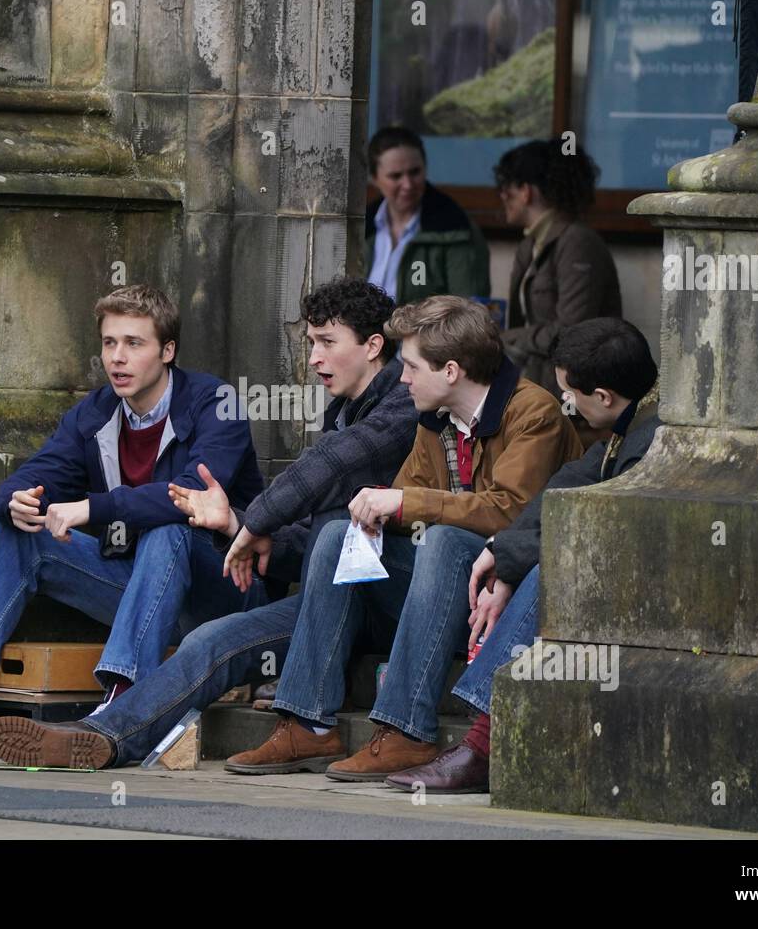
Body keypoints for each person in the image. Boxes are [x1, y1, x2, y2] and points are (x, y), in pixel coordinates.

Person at [0, 278, 421, 769]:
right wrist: (234, 523)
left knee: (337, 530)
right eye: (310, 343)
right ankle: (102, 736)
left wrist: (254, 525)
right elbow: (308, 548)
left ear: (374, 345)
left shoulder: (405, 401)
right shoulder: (342, 413)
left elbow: (328, 467)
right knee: (207, 640)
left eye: (326, 343)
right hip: (331, 599)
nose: (313, 358)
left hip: (396, 595)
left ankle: (308, 721)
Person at [0, 284, 264, 755]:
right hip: (142, 597)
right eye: (109, 343)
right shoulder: (96, 413)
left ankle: (123, 703)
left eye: (134, 343)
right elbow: (35, 473)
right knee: (25, 534)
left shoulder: (216, 402)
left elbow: (187, 498)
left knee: (170, 530)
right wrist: (14, 500)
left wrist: (92, 508)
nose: (118, 358)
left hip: (222, 595)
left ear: (168, 351)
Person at [225, 296, 584, 780]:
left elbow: (510, 511)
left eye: (411, 366)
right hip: (442, 597)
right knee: (335, 537)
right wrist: (375, 509)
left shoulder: (532, 411)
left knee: (443, 541)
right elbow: (404, 498)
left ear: (451, 370)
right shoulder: (433, 419)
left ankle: (405, 731)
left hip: (506, 600)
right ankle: (307, 724)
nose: (403, 378)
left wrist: (403, 504)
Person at [386, 317, 661, 793]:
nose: (567, 406)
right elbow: (569, 485)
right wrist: (502, 555)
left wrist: (513, 564)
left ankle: (483, 746)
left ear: (604, 397)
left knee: (547, 572)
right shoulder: (630, 423)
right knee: (530, 564)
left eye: (571, 394)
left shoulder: (650, 441)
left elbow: (593, 520)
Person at [496, 138, 621, 399]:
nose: (502, 196)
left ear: (526, 191)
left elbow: (573, 332)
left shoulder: (576, 241)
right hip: (539, 387)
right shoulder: (530, 244)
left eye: (506, 186)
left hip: (575, 395)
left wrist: (508, 337)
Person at [364, 127, 490, 304]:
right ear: (374, 179)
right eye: (395, 176)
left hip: (425, 332)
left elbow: (468, 312)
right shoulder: (361, 227)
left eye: (415, 172)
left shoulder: (456, 227)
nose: (407, 184)